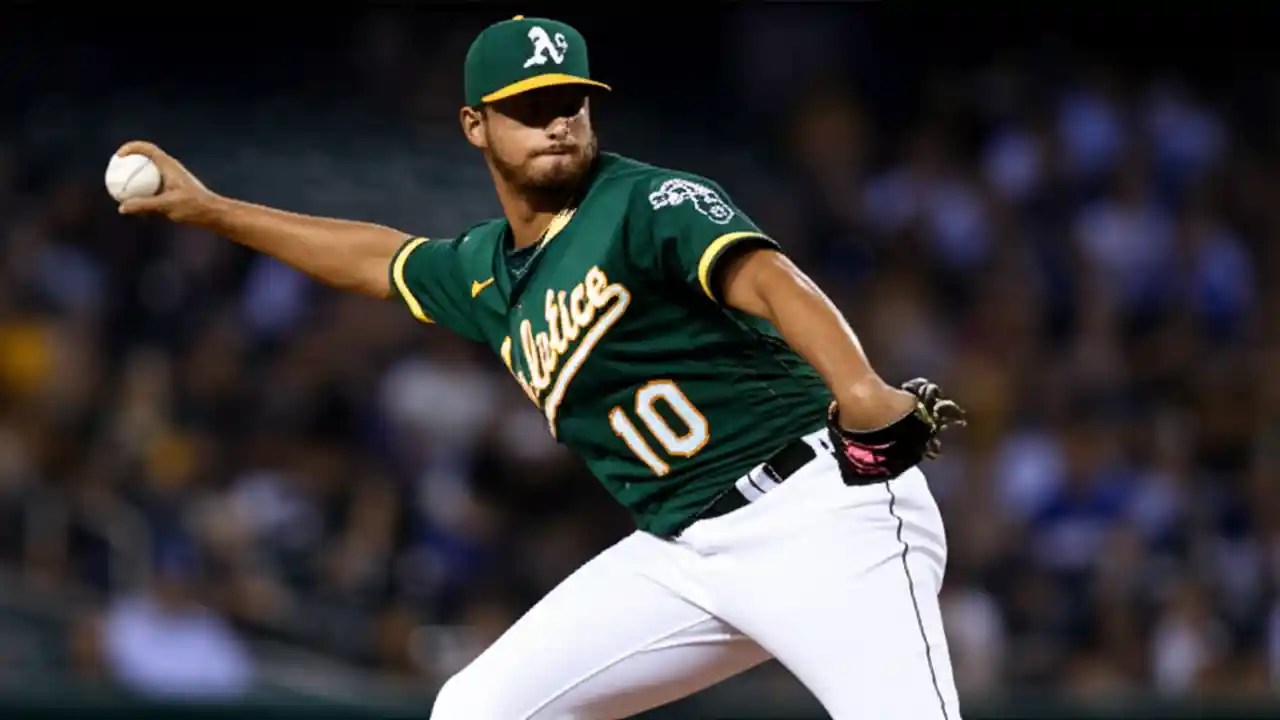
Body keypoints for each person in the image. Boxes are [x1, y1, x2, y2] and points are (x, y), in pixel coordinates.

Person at [112, 14, 967, 719]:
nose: (559, 120)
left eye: (573, 101)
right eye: (531, 105)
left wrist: (858, 388)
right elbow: (375, 258)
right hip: (684, 552)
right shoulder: (487, 273)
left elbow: (772, 279)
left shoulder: (645, 201)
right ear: (475, 124)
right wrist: (214, 210)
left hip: (819, 515)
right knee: (476, 710)